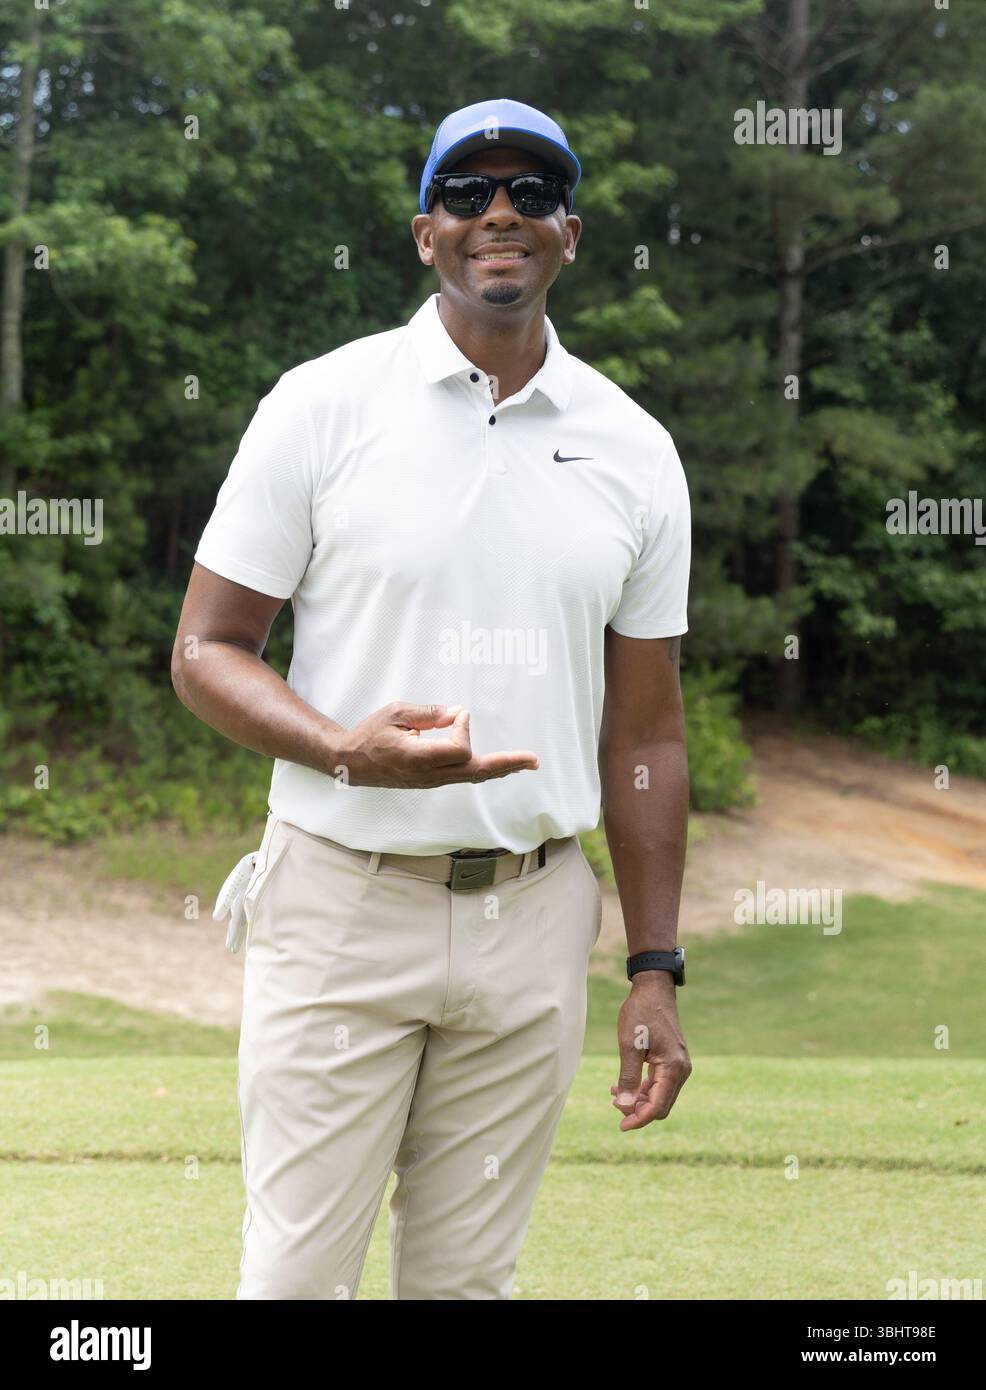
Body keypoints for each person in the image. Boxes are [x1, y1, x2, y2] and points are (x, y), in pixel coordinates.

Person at [172, 97, 692, 1301]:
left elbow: (646, 730)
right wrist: (342, 750)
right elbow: (206, 648)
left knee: (464, 1290)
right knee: (297, 1284)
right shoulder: (320, 405)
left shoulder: (634, 446)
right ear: (424, 232)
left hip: (533, 920)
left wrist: (654, 966)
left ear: (568, 229)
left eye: (527, 192)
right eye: (466, 192)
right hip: (341, 905)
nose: (496, 214)